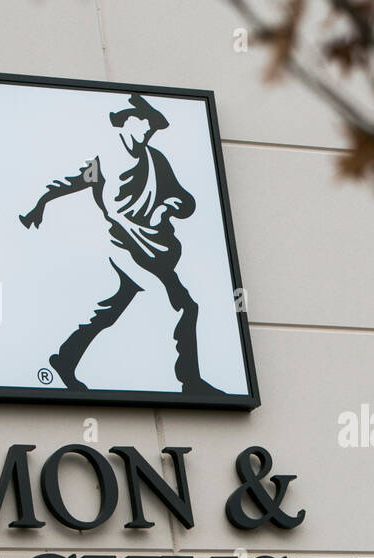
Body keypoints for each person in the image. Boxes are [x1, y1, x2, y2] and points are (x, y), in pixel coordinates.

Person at [20, 93, 222, 395]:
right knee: (183, 306)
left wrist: (168, 207)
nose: (148, 130)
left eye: (151, 126)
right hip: (123, 247)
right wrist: (40, 205)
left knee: (110, 311)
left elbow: (186, 200)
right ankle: (190, 381)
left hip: (154, 250)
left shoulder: (157, 160)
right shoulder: (103, 163)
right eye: (143, 123)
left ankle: (65, 359)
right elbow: (71, 181)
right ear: (126, 123)